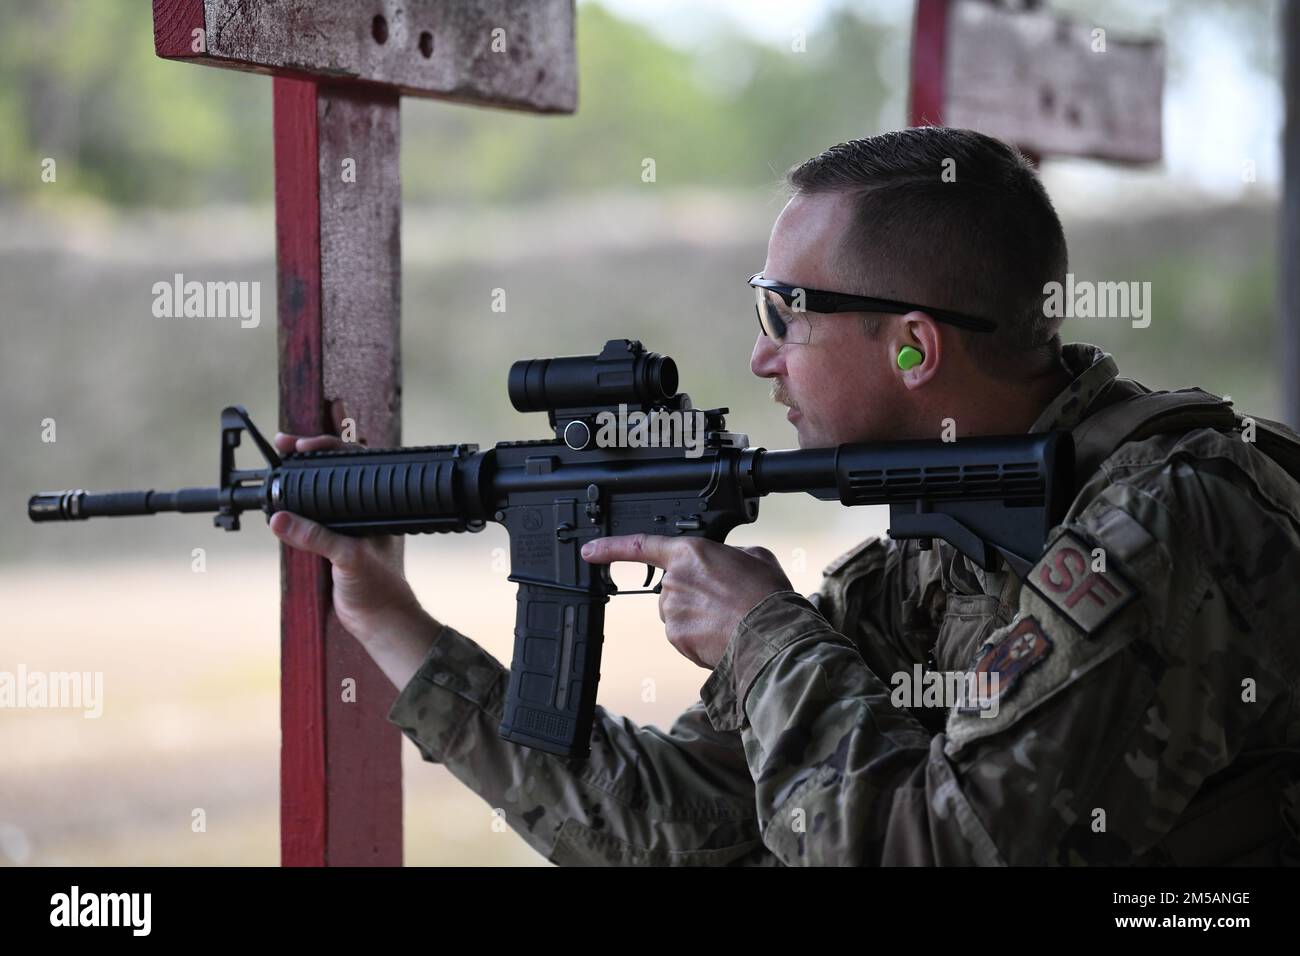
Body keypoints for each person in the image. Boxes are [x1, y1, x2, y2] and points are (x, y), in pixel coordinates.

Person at [269, 127, 1300, 865]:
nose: (762, 356)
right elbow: (679, 829)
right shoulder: (939, 550)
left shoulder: (1165, 518)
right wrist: (391, 617)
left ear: (913, 345)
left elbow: (940, 848)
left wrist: (763, 635)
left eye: (784, 314)